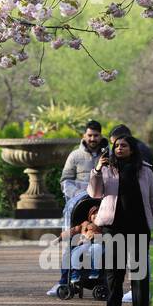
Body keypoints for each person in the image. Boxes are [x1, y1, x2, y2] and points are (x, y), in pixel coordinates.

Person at [88, 133, 153, 306]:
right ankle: (113, 305)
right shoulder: (107, 168)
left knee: (139, 272)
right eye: (117, 146)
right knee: (114, 271)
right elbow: (94, 193)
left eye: (124, 145)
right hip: (112, 226)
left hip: (139, 227)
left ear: (132, 149)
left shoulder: (145, 171)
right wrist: (97, 170)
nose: (119, 148)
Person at [49, 120, 105, 295]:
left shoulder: (108, 154)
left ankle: (102, 281)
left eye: (96, 135)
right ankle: (63, 281)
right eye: (90, 135)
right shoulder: (75, 156)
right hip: (78, 205)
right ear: (84, 136)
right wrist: (78, 194)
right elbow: (65, 181)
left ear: (101, 136)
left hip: (101, 205)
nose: (93, 138)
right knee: (71, 246)